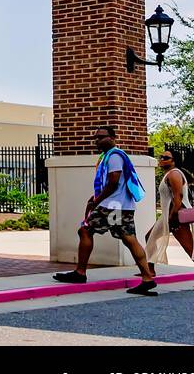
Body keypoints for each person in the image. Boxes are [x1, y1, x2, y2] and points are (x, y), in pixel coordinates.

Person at [53, 125, 157, 296]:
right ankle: (147, 278)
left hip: (112, 206)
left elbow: (113, 182)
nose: (98, 140)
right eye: (96, 137)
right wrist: (96, 197)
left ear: (113, 137)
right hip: (121, 206)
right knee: (129, 239)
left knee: (85, 230)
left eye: (101, 137)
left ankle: (80, 273)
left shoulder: (114, 156)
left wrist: (97, 200)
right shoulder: (110, 156)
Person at [144, 149, 194, 288]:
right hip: (168, 215)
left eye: (166, 157)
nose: (162, 159)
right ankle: (150, 270)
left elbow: (178, 198)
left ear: (173, 161)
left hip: (175, 215)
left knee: (190, 247)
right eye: (161, 157)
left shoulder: (174, 174)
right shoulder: (170, 174)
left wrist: (173, 217)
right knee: (150, 236)